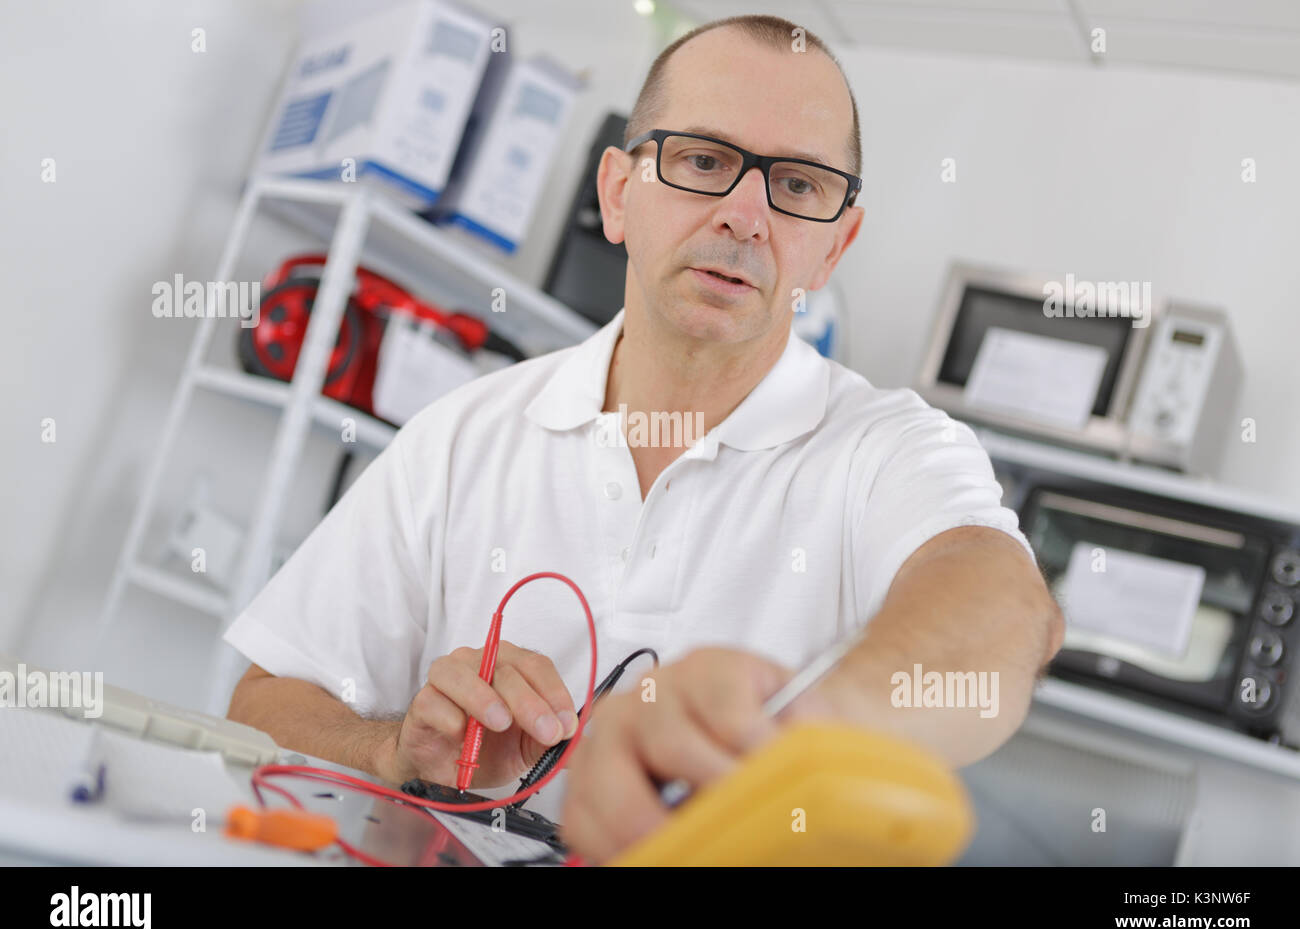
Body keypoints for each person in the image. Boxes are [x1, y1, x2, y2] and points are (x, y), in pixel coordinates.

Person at [224, 14, 1064, 865]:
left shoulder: (889, 447)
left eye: (800, 188)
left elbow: (1002, 607)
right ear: (619, 193)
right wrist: (395, 750)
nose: (745, 217)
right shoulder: (461, 435)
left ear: (833, 248)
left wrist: (787, 741)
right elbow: (260, 704)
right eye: (703, 162)